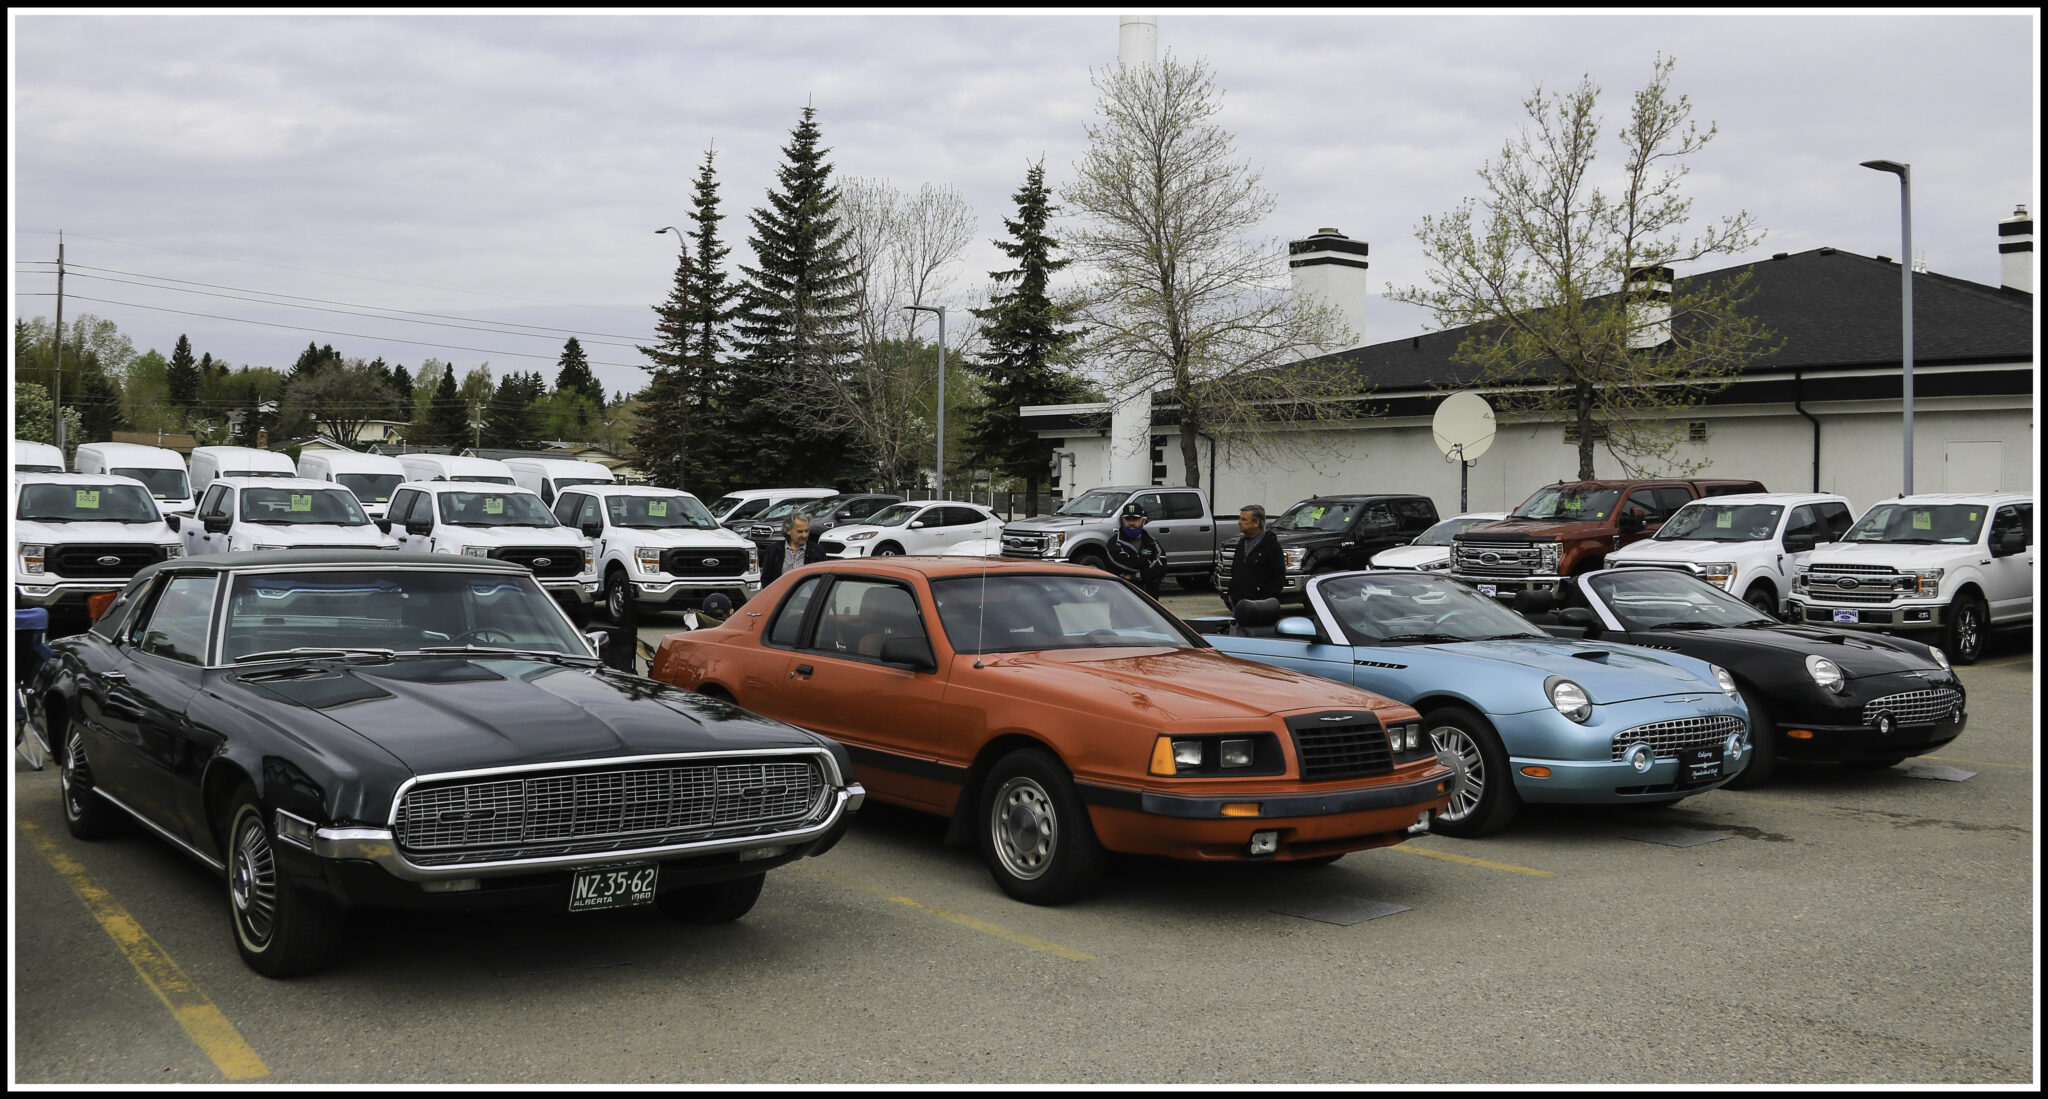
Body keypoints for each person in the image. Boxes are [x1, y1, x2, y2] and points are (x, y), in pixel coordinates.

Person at [1225, 503, 1286, 611]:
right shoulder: (1241, 543)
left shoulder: (1271, 546)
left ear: (1256, 523)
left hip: (1260, 607)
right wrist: (1231, 595)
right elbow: (1235, 571)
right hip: (1238, 605)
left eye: (1244, 519)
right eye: (1240, 518)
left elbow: (1278, 578)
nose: (1239, 522)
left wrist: (1263, 600)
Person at [1104, 502, 1168, 596]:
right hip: (1122, 597)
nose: (1131, 523)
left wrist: (1136, 576)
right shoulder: (1114, 543)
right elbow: (1120, 564)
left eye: (1135, 519)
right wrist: (1148, 563)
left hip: (1149, 597)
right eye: (1128, 519)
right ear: (1123, 520)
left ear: (1143, 520)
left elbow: (1162, 567)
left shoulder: (1152, 542)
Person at [757, 513, 827, 587]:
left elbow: (823, 579)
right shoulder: (773, 550)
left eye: (806, 531)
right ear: (788, 530)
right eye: (800, 531)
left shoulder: (817, 550)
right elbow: (766, 579)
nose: (804, 535)